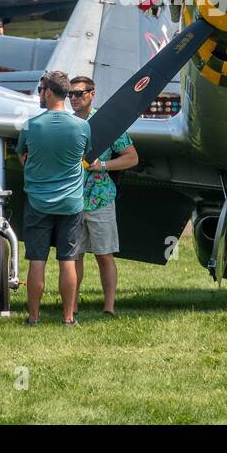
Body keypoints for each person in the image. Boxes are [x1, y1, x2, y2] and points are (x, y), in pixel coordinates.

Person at [17, 70, 90, 326]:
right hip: (71, 203)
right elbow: (84, 155)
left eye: (40, 90)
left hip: (37, 202)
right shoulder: (82, 126)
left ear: (48, 92)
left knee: (37, 260)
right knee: (68, 260)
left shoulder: (30, 125)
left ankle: (34, 317)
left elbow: (22, 156)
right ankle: (68, 317)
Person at [68, 75, 138, 316]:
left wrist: (104, 165)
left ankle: (109, 307)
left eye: (79, 93)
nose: (74, 98)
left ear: (92, 93)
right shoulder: (66, 123)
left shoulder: (108, 122)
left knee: (104, 255)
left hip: (100, 198)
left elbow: (131, 157)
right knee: (73, 256)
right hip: (72, 199)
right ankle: (72, 305)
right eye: (70, 94)